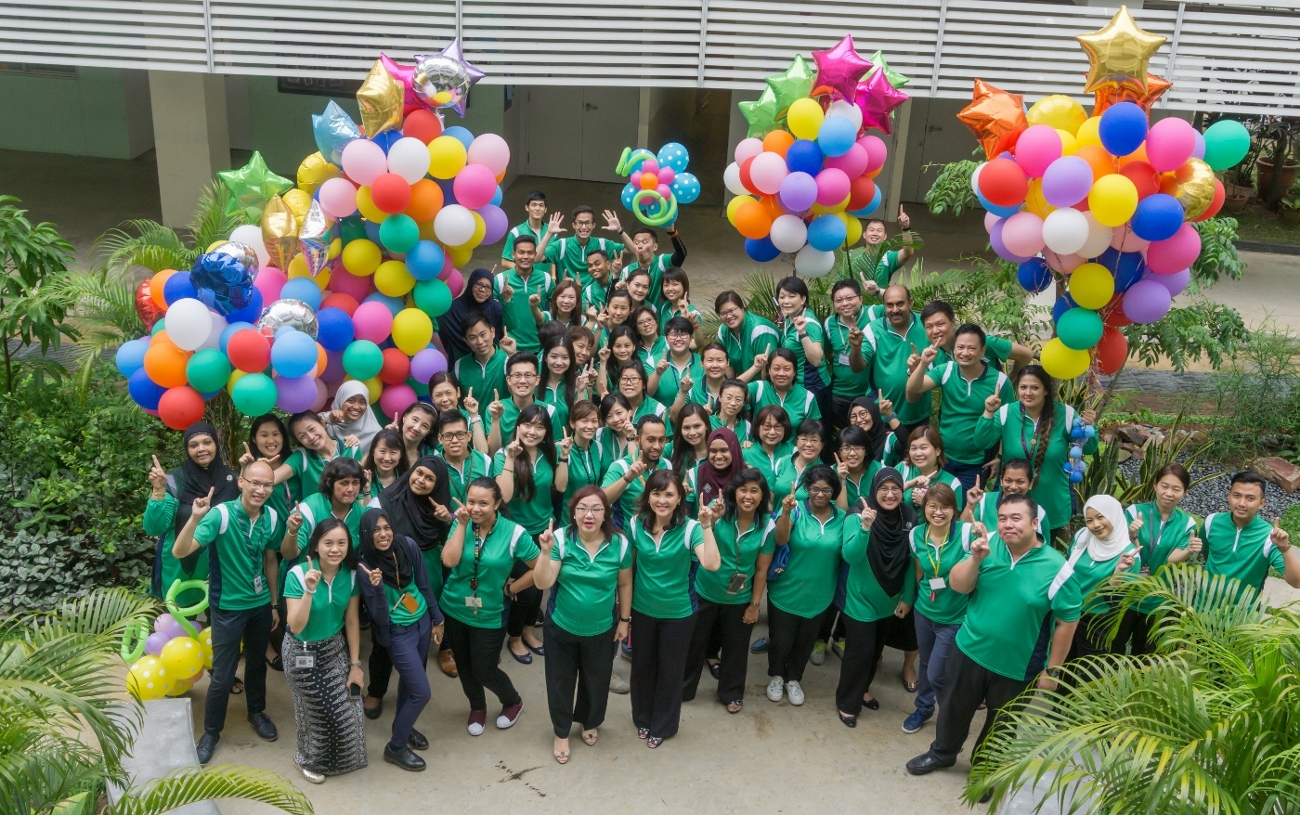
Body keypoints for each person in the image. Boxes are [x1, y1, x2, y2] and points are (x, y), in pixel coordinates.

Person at [905, 495, 1082, 784]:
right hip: (969, 650)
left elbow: (1066, 621)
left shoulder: (1057, 568)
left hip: (1017, 664)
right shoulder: (986, 545)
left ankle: (984, 768)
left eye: (1016, 518)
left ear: (1035, 523)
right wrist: (975, 558)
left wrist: (1052, 670)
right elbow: (958, 586)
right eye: (1002, 518)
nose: (1007, 524)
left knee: (1002, 724)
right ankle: (942, 753)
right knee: (953, 709)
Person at [171, 459, 284, 765]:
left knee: (258, 665)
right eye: (255, 483)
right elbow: (180, 552)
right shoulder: (220, 515)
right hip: (227, 608)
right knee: (222, 676)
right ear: (242, 482)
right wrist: (194, 518)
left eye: (267, 485)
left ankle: (256, 713)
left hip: (260, 605)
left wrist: (273, 603)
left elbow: (272, 559)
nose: (260, 489)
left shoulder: (272, 517)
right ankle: (210, 732)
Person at [532, 487, 632, 763]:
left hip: (602, 628)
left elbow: (624, 583)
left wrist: (624, 620)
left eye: (597, 509)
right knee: (560, 682)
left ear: (605, 514)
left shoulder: (620, 544)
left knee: (596, 680)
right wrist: (545, 552)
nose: (589, 515)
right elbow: (543, 583)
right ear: (573, 513)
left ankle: (589, 721)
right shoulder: (561, 541)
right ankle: (562, 732)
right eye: (582, 508)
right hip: (561, 627)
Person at [626, 470, 720, 747]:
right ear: (648, 496)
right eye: (656, 493)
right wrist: (624, 611)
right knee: (642, 668)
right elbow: (627, 570)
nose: (662, 500)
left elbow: (712, 564)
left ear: (680, 498)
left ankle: (663, 726)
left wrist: (706, 526)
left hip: (678, 614)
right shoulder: (635, 524)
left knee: (670, 671)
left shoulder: (691, 528)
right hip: (642, 610)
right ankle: (642, 718)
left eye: (669, 494)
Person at [442, 478, 541, 735]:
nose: (475, 508)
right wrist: (462, 525)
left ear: (497, 503)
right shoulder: (461, 523)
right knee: (464, 665)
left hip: (490, 614)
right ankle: (477, 707)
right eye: (471, 501)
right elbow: (449, 560)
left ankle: (512, 702)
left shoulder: (515, 533)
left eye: (483, 503)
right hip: (454, 608)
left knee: (484, 669)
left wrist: (512, 588)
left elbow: (539, 568)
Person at [356, 508, 445, 772]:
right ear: (366, 534)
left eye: (387, 527)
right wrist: (377, 588)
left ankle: (402, 728)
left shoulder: (407, 545)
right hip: (397, 632)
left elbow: (424, 585)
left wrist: (437, 619)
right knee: (422, 692)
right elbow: (380, 618)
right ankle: (395, 747)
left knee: (410, 683)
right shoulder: (364, 565)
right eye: (375, 530)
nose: (383, 535)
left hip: (421, 623)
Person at [281, 518, 365, 784]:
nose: (335, 549)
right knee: (318, 713)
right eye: (328, 543)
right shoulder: (297, 574)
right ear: (316, 546)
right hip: (301, 651)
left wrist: (355, 666)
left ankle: (345, 760)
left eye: (341, 543)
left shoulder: (350, 576)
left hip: (333, 649)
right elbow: (295, 625)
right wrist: (309, 589)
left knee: (350, 711)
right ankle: (305, 758)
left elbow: (351, 621)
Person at [684, 467, 774, 713]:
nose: (748, 496)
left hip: (740, 598)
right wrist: (711, 519)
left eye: (754, 491)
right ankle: (683, 688)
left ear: (762, 495)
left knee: (736, 649)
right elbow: (699, 537)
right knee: (695, 643)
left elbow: (762, 570)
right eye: (743, 489)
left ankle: (731, 693)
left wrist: (755, 605)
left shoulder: (767, 526)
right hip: (705, 591)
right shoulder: (718, 508)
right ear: (734, 492)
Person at [973, 365, 1097, 541]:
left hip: (1053, 501)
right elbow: (982, 442)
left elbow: (1089, 448)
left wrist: (1089, 426)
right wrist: (988, 412)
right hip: (1013, 500)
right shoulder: (1007, 412)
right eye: (1023, 387)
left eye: (1035, 387)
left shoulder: (1066, 414)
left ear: (1046, 390)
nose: (1028, 393)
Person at [835, 468, 919, 728]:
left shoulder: (909, 515)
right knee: (859, 653)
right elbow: (850, 555)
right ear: (874, 490)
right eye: (884, 488)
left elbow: (910, 561)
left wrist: (907, 597)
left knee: (874, 653)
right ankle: (847, 702)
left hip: (890, 599)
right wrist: (865, 528)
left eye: (896, 488)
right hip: (860, 598)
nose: (890, 494)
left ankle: (863, 689)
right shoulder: (858, 513)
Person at [767, 466, 848, 707]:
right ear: (807, 489)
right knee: (781, 639)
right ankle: (777, 676)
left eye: (826, 490)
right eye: (815, 489)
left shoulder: (842, 518)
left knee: (806, 640)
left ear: (834, 491)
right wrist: (784, 512)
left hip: (820, 593)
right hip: (787, 590)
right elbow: (781, 539)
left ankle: (794, 679)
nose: (820, 494)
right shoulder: (796, 510)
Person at [905, 324, 1014, 493]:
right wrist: (924, 364)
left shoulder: (1000, 381)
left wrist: (1000, 457)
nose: (965, 353)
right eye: (960, 347)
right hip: (943, 458)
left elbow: (1008, 424)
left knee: (964, 509)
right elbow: (914, 388)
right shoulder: (947, 370)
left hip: (977, 462)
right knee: (938, 508)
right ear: (954, 349)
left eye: (971, 348)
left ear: (982, 350)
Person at [376, 456, 455, 689]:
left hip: (429, 561)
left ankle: (442, 647)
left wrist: (447, 520)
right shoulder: (386, 500)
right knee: (401, 611)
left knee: (431, 604)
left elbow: (452, 542)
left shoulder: (439, 507)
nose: (421, 480)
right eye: (418, 473)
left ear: (438, 484)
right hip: (395, 564)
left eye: (430, 478)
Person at [902, 483, 972, 735]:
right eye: (932, 506)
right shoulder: (916, 535)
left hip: (955, 616)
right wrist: (908, 599)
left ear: (954, 510)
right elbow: (917, 571)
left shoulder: (966, 534)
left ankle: (951, 717)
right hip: (924, 610)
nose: (938, 512)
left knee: (937, 672)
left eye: (945, 507)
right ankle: (923, 707)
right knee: (926, 664)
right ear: (924, 507)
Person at [146, 422, 239, 608]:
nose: (201, 449)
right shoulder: (173, 481)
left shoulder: (233, 481)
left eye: (207, 442)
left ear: (216, 445)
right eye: (193, 445)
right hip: (179, 570)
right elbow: (154, 527)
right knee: (180, 628)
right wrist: (159, 490)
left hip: (223, 569)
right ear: (187, 449)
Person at [494, 404, 558, 663]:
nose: (533, 431)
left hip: (543, 529)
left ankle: (530, 631)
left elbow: (556, 486)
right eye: (528, 425)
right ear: (517, 426)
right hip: (516, 533)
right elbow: (505, 496)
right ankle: (515, 637)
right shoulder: (503, 454)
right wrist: (510, 458)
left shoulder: (548, 453)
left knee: (542, 585)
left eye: (540, 426)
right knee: (527, 590)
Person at [1122, 463, 1199, 654]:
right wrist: (1131, 535)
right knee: (1114, 647)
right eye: (1164, 486)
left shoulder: (1187, 523)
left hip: (1156, 597)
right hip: (1126, 593)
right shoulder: (1133, 512)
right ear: (1155, 485)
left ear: (1185, 492)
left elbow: (1171, 559)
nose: (1169, 493)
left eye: (1176, 489)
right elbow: (1123, 549)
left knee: (1143, 654)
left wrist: (1189, 550)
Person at [1063, 495, 1141, 662]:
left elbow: (1115, 602)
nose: (1095, 525)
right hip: (1068, 613)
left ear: (1113, 515)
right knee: (1064, 670)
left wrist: (1118, 571)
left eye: (1100, 517)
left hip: (1096, 622)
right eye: (1089, 520)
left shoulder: (1128, 555)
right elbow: (1067, 568)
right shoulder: (1082, 537)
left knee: (1089, 674)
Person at [1202, 471, 1300, 598]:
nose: (1242, 503)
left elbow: (1297, 582)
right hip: (1202, 608)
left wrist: (1284, 548)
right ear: (1229, 496)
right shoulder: (1211, 522)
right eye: (1237, 495)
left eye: (1250, 498)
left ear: (1261, 503)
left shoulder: (1269, 537)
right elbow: (1206, 552)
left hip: (1243, 615)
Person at [850, 284, 931, 437]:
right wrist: (856, 348)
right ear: (884, 306)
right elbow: (857, 367)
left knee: (916, 457)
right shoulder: (873, 329)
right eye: (889, 305)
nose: (895, 310)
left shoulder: (926, 325)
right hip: (883, 413)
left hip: (919, 414)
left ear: (911, 303)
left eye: (900, 303)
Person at [283, 458, 367, 579]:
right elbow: (289, 554)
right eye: (344, 483)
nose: (350, 489)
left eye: (355, 483)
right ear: (330, 484)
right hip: (305, 582)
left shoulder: (362, 513)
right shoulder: (309, 508)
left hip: (343, 585)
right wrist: (293, 531)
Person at [775, 276, 831, 427]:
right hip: (797, 385)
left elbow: (816, 359)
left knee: (815, 435)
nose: (786, 301)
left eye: (792, 296)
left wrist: (803, 333)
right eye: (782, 297)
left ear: (803, 299)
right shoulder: (789, 318)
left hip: (813, 387)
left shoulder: (809, 323)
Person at [919, 300, 1032, 373]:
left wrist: (1011, 379)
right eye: (929, 326)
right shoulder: (932, 356)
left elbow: (1026, 354)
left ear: (953, 322)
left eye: (940, 324)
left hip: (995, 407)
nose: (935, 331)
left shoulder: (981, 341)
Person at [823, 278, 875, 437]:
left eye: (849, 298)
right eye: (839, 300)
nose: (844, 303)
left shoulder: (873, 313)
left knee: (867, 436)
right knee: (844, 436)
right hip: (839, 393)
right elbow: (829, 352)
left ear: (861, 298)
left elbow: (899, 304)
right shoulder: (829, 323)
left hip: (867, 393)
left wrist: (878, 290)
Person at [539, 207, 634, 289]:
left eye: (588, 223)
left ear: (593, 225)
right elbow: (537, 258)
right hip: (569, 301)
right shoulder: (561, 245)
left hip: (594, 301)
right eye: (580, 223)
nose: (584, 227)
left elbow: (632, 250)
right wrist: (549, 233)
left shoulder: (602, 244)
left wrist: (619, 229)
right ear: (573, 225)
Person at [603, 415, 671, 529]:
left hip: (659, 538)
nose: (657, 446)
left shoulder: (667, 465)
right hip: (628, 539)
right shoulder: (621, 466)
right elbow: (601, 500)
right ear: (637, 440)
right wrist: (627, 478)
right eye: (651, 440)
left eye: (661, 440)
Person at [487, 352, 560, 452]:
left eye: (528, 375)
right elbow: (492, 453)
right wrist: (495, 419)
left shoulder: (549, 411)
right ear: (508, 380)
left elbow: (555, 449)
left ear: (537, 380)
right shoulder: (495, 409)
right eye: (517, 375)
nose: (522, 380)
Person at [495, 235, 553, 356]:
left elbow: (560, 307)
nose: (525, 257)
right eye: (521, 252)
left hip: (540, 348)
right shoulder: (500, 280)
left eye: (530, 253)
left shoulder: (546, 279)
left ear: (535, 255)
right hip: (509, 347)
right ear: (513, 254)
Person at [962, 458, 1047, 538]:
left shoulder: (1038, 512)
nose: (1013, 486)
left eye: (1020, 482)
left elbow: (1043, 548)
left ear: (1030, 484)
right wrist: (970, 505)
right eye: (1008, 481)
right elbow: (963, 530)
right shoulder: (983, 500)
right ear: (1001, 481)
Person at [844, 205, 915, 295]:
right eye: (871, 230)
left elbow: (907, 252)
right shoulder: (851, 255)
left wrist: (905, 228)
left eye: (879, 230)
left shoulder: (888, 257)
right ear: (864, 234)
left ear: (885, 236)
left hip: (879, 306)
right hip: (854, 306)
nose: (875, 233)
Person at [747, 349, 822, 431]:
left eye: (787, 369)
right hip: (760, 444)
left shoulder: (807, 397)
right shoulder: (759, 388)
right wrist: (756, 367)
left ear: (794, 372)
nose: (781, 373)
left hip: (793, 444)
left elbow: (814, 431)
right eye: (776, 369)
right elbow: (732, 389)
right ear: (769, 370)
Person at [440, 269, 503, 365]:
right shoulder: (453, 308)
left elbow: (510, 325)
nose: (482, 289)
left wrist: (507, 302)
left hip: (491, 362)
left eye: (488, 287)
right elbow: (439, 325)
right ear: (471, 284)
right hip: (462, 364)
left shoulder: (495, 308)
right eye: (479, 284)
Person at [899, 427, 965, 513]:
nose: (918, 453)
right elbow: (885, 497)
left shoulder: (952, 483)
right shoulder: (902, 469)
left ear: (937, 451)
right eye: (913, 448)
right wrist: (909, 484)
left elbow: (954, 519)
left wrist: (926, 503)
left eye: (923, 448)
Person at [451, 312, 508, 411]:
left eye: (483, 334)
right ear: (466, 341)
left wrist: (512, 355)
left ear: (492, 332)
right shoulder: (459, 366)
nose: (480, 341)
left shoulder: (508, 360)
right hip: (472, 424)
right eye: (472, 338)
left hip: (504, 424)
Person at [620, 226, 687, 309]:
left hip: (663, 317)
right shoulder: (626, 271)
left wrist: (672, 233)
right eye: (636, 243)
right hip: (638, 319)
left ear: (655, 246)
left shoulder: (662, 262)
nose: (639, 246)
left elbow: (681, 254)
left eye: (644, 242)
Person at [715, 291, 778, 376]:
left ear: (742, 307)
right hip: (740, 386)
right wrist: (730, 386)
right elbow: (727, 364)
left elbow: (767, 371)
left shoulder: (759, 330)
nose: (729, 316)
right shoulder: (723, 331)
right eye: (723, 313)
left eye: (732, 310)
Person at [427, 372, 489, 454]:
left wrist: (474, 415)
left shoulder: (470, 418)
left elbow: (482, 451)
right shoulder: (430, 422)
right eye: (438, 395)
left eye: (448, 393)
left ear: (458, 392)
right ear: (432, 399)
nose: (444, 399)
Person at [650, 316, 702, 410]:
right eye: (673, 335)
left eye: (683, 334)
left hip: (695, 421)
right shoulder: (652, 361)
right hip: (662, 422)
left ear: (691, 338)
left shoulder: (703, 363)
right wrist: (657, 373)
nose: (678, 338)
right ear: (666, 339)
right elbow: (646, 394)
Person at [537, 334, 583, 432]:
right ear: (545, 358)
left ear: (571, 360)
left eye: (565, 357)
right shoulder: (534, 383)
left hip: (566, 444)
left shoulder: (577, 384)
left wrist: (580, 391)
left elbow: (582, 417)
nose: (559, 362)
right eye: (554, 356)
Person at [323, 380, 384, 454]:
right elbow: (309, 427)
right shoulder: (327, 420)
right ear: (340, 399)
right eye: (351, 401)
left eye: (362, 402)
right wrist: (328, 419)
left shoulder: (375, 433)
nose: (356, 407)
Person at [502, 190, 552, 276]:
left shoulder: (551, 231)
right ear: (527, 207)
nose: (537, 209)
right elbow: (505, 261)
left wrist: (553, 277)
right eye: (534, 205)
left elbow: (553, 259)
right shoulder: (516, 232)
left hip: (545, 283)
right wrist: (526, 272)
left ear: (545, 209)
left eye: (541, 205)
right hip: (522, 282)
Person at [694, 427, 743, 514]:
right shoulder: (695, 474)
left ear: (733, 449)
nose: (718, 456)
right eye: (713, 451)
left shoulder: (746, 477)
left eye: (724, 450)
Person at [742, 405, 794, 486]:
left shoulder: (795, 452)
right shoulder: (745, 454)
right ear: (757, 427)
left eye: (778, 427)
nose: (772, 432)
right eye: (767, 427)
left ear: (785, 428)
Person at [834, 426, 882, 510]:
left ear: (866, 451)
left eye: (858, 448)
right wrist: (842, 480)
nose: (852, 453)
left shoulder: (880, 470)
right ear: (839, 452)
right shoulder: (829, 473)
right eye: (846, 448)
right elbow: (841, 513)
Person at [848, 396, 904, 466]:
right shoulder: (850, 440)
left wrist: (889, 415)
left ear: (873, 413)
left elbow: (907, 444)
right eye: (853, 416)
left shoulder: (888, 438)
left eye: (863, 414)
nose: (858, 420)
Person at [364, 429, 408, 501]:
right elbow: (363, 510)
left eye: (393, 452)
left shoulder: (407, 480)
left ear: (401, 455)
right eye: (382, 451)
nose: (387, 458)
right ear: (373, 452)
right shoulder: (362, 479)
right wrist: (366, 490)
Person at [690, 342, 730, 414]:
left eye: (720, 360)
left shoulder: (736, 389)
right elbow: (675, 415)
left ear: (728, 363)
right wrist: (683, 392)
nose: (715, 365)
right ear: (702, 363)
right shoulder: (692, 385)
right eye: (710, 360)